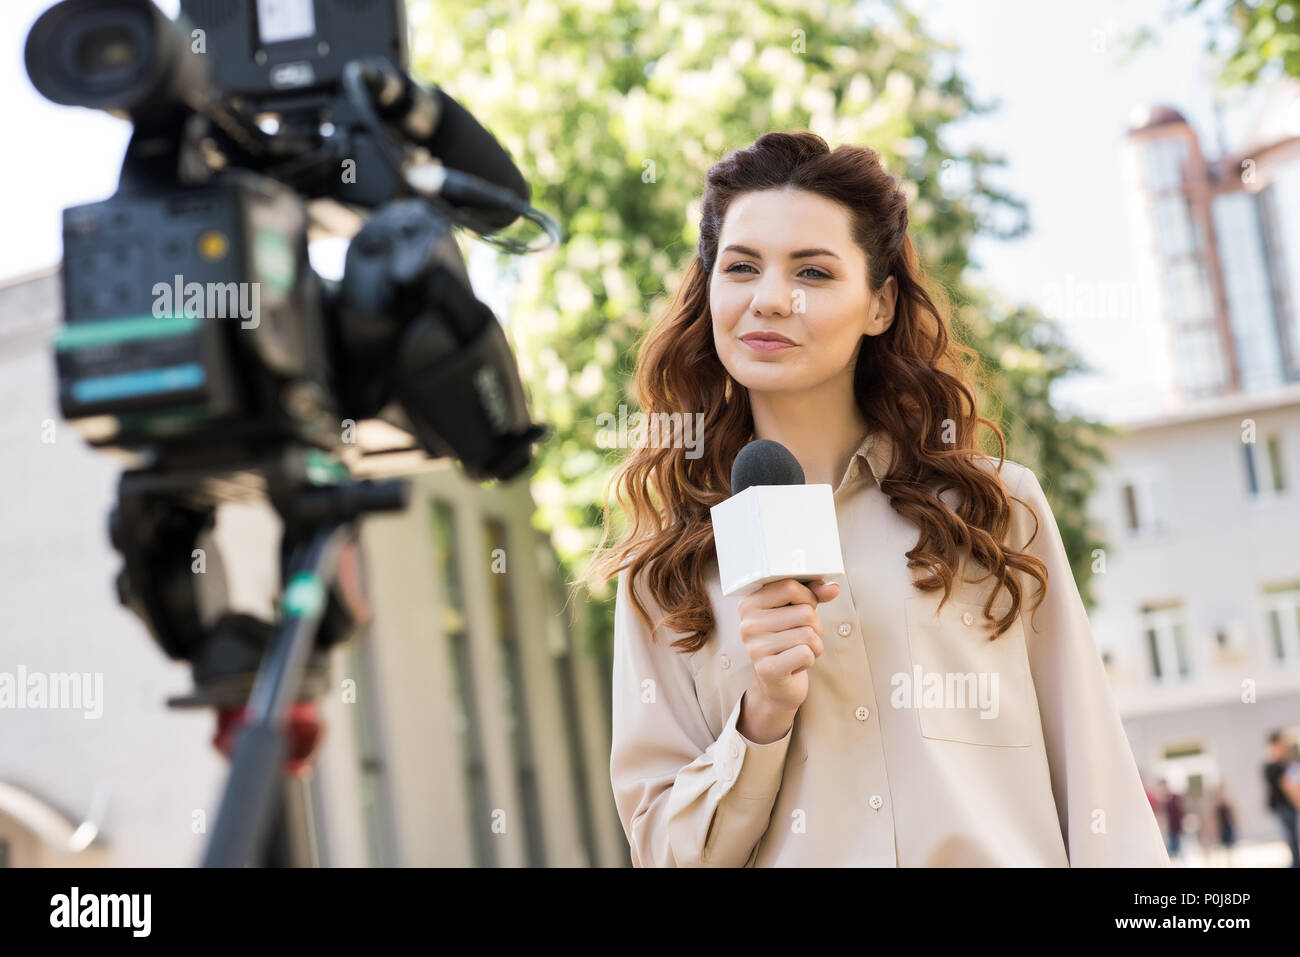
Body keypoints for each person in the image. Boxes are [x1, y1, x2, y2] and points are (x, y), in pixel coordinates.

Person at [590, 131, 1170, 867]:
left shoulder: (994, 509)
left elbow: (1102, 797)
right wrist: (761, 716)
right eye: (740, 266)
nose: (770, 299)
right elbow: (667, 852)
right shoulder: (660, 575)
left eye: (813, 271)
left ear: (880, 303)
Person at [1263, 730, 1300, 867]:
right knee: (1291, 837)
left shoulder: (1280, 763)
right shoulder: (1274, 765)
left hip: (1286, 806)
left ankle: (1296, 862)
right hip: (1284, 806)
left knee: (1292, 837)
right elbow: (1288, 786)